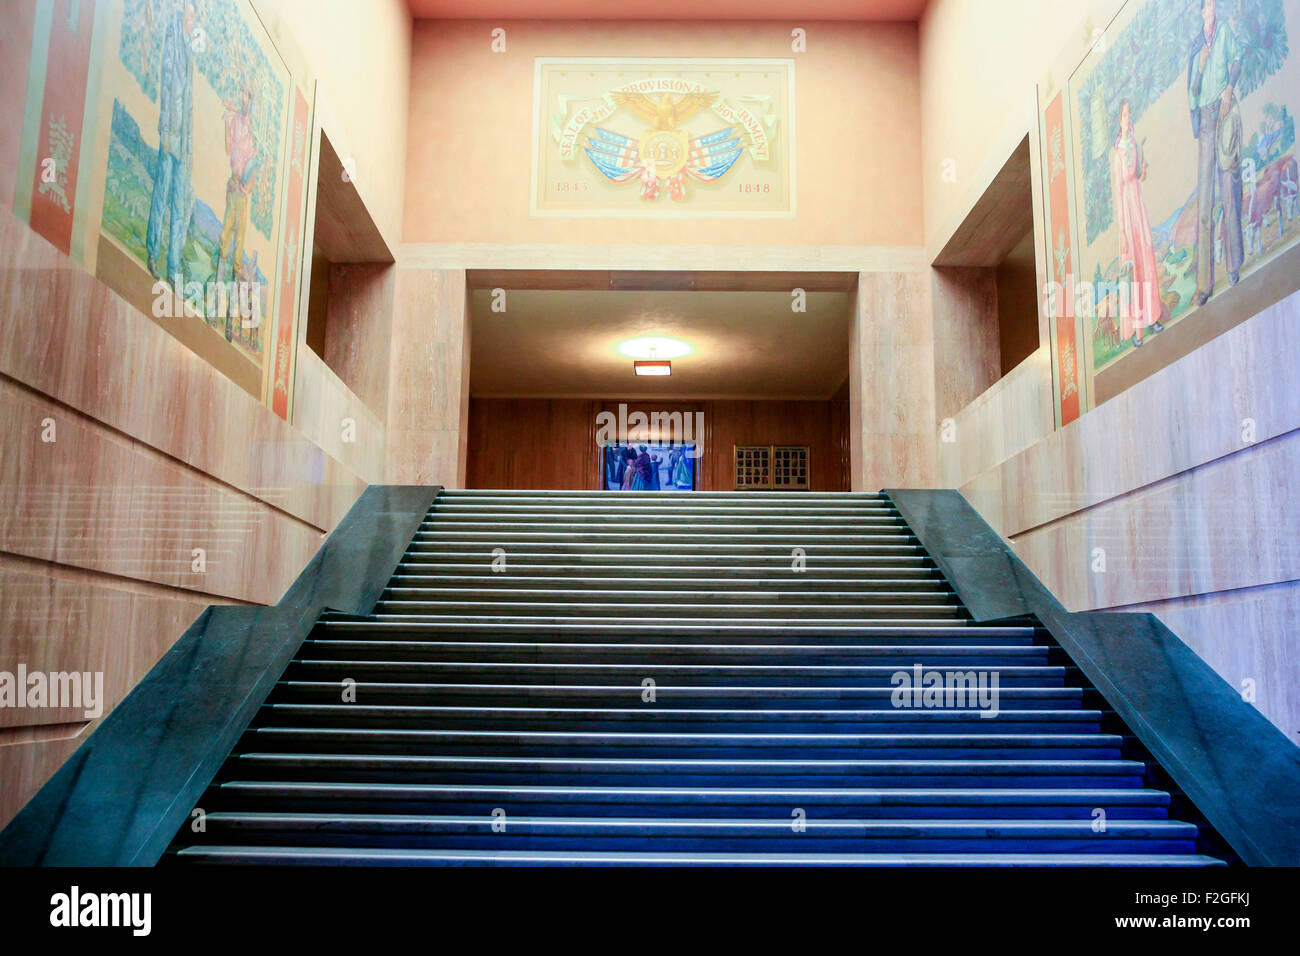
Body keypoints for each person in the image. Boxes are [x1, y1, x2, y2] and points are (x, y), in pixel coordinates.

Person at [1187, 0, 1242, 305]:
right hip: (1206, 119)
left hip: (1224, 110)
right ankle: (1204, 285)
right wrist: (1204, 63)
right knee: (1205, 201)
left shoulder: (1224, 33)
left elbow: (1237, 62)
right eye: (1207, 8)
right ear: (1200, 13)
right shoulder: (1198, 46)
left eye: (1213, 6)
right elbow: (1193, 90)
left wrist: (1229, 88)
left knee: (1229, 190)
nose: (1211, 11)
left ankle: (1233, 266)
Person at [145, 0, 197, 286]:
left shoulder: (190, 50)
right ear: (183, 15)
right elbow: (167, 86)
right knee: (161, 194)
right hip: (170, 136)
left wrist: (189, 148)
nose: (192, 23)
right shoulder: (172, 38)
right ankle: (152, 252)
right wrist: (165, 130)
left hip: (183, 143)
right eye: (190, 17)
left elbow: (189, 105)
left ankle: (173, 268)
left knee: (179, 205)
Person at [1111, 99, 1167, 348]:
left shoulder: (1134, 145)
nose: (1128, 117)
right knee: (1133, 266)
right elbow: (1117, 192)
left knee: (1146, 258)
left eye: (1129, 113)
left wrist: (1144, 168)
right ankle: (1137, 328)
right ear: (1118, 120)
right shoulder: (1118, 154)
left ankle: (1153, 317)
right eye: (1124, 114)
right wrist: (1122, 231)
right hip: (1127, 211)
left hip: (1139, 206)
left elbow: (1139, 176)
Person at [215, 83, 259, 340]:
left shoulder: (253, 131)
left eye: (247, 95)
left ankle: (230, 322)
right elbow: (229, 148)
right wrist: (226, 121)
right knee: (224, 241)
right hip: (233, 187)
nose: (244, 99)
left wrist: (249, 185)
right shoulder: (236, 124)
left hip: (244, 195)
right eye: (243, 94)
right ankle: (215, 311)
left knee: (238, 255)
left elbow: (254, 164)